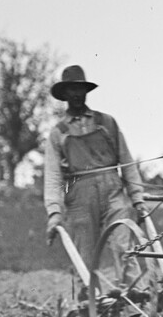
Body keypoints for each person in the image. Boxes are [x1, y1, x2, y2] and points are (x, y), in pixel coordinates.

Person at [42, 65, 150, 292]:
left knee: (124, 246)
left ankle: (136, 302)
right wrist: (54, 212)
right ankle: (88, 307)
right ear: (64, 95)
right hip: (80, 196)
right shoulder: (58, 133)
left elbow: (127, 162)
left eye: (80, 89)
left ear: (86, 91)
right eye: (72, 90)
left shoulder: (107, 122)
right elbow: (52, 176)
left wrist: (138, 199)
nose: (77, 94)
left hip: (113, 190)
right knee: (86, 256)